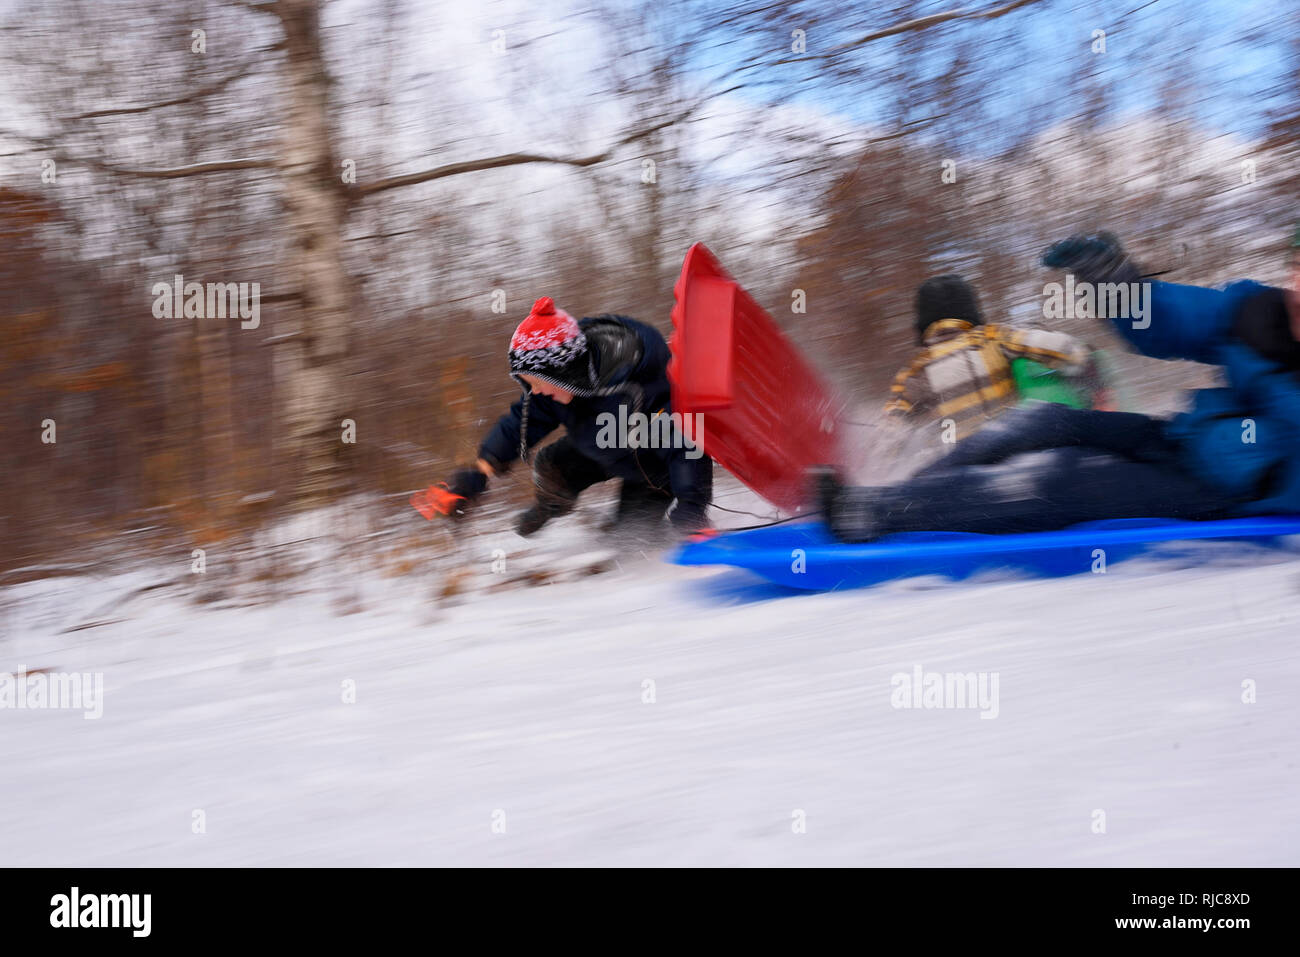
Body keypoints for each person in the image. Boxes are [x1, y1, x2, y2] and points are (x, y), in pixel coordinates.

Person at [817, 227, 1300, 542]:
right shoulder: (1259, 312)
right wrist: (1115, 284)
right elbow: (1169, 320)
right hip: (1184, 437)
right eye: (1297, 269)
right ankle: (921, 494)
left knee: (1057, 477)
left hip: (1229, 489)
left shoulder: (934, 363)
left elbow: (896, 419)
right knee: (1040, 420)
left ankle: (878, 511)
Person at [434, 296, 713, 537]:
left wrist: (692, 511)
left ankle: (655, 542)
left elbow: (685, 448)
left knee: (631, 538)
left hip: (650, 467)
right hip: (599, 445)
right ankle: (550, 506)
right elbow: (522, 421)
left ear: (566, 372)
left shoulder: (638, 390)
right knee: (551, 464)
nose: (536, 391)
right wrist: (479, 473)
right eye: (529, 384)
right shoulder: (551, 392)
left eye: (539, 382)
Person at [886, 274, 1099, 440]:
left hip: (961, 466)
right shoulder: (993, 337)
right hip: (1011, 446)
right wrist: (1083, 357)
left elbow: (892, 428)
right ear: (970, 311)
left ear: (923, 324)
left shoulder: (916, 370)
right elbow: (1059, 347)